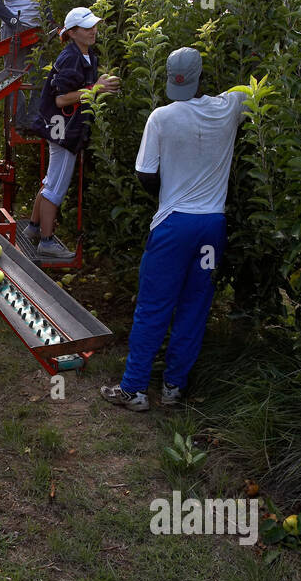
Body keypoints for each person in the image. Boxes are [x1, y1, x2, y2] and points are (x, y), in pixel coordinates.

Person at [100, 48, 246, 412]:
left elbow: (145, 173)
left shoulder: (161, 117)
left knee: (154, 306)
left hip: (173, 225)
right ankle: (173, 388)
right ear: (203, 75)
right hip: (212, 226)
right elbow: (255, 84)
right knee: (195, 305)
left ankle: (133, 389)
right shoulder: (231, 106)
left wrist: (166, 193)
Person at [27, 7, 120, 260]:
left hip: (63, 127)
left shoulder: (84, 55)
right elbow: (61, 100)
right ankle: (46, 242)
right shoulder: (70, 57)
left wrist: (97, 85)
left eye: (94, 26)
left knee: (50, 179)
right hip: (62, 129)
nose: (93, 31)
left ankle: (33, 228)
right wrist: (95, 89)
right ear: (72, 32)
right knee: (55, 187)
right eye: (87, 28)